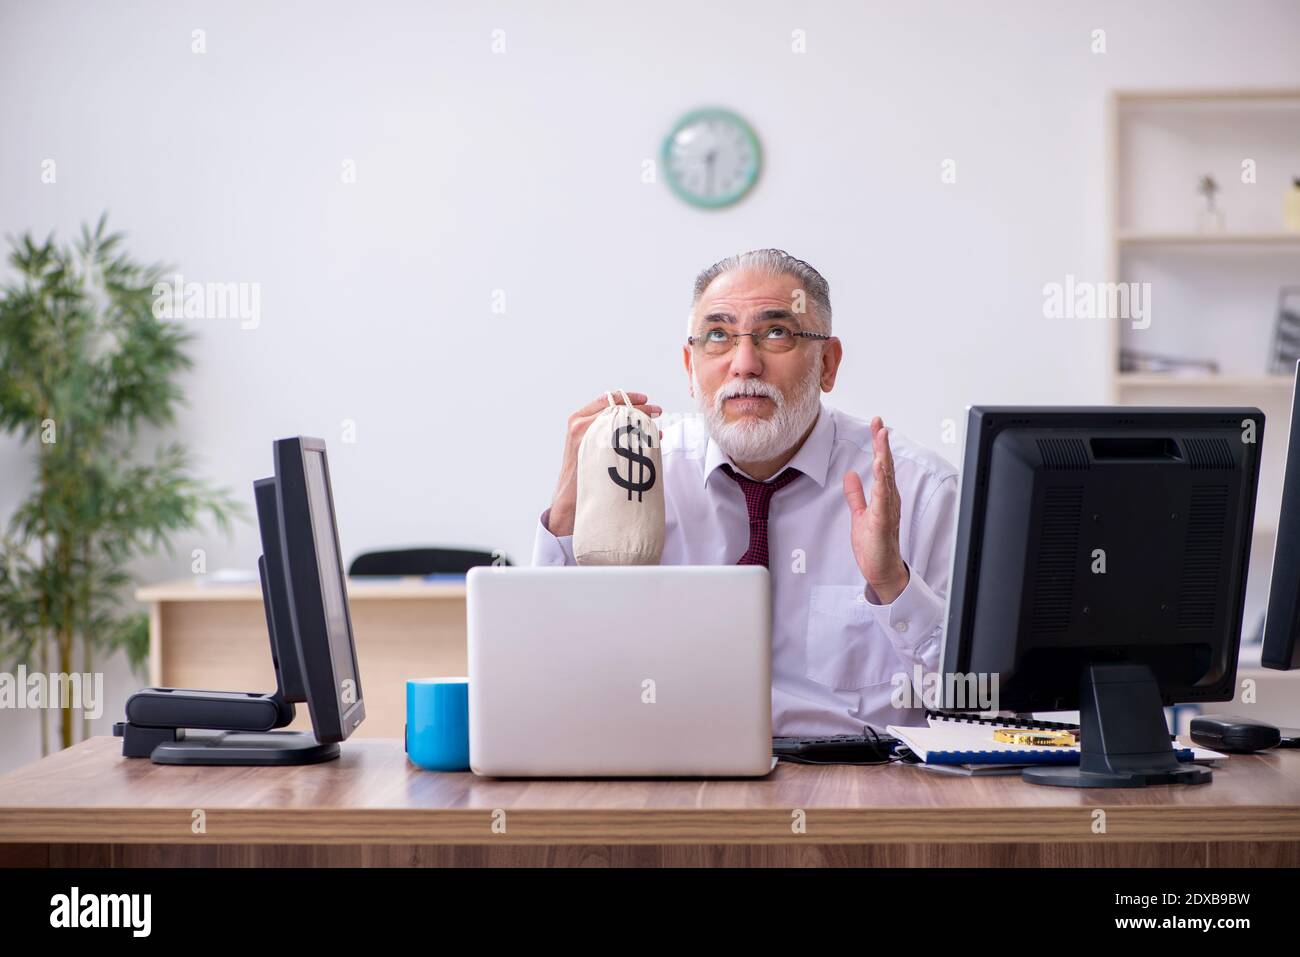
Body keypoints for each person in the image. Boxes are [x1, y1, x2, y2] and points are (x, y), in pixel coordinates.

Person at [532, 249, 958, 734]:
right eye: (718, 336)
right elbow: (544, 681)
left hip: (857, 783)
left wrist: (893, 585)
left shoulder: (921, 492)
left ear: (828, 363)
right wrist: (567, 515)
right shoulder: (637, 478)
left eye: (776, 333)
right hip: (673, 771)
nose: (744, 363)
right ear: (690, 366)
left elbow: (984, 706)